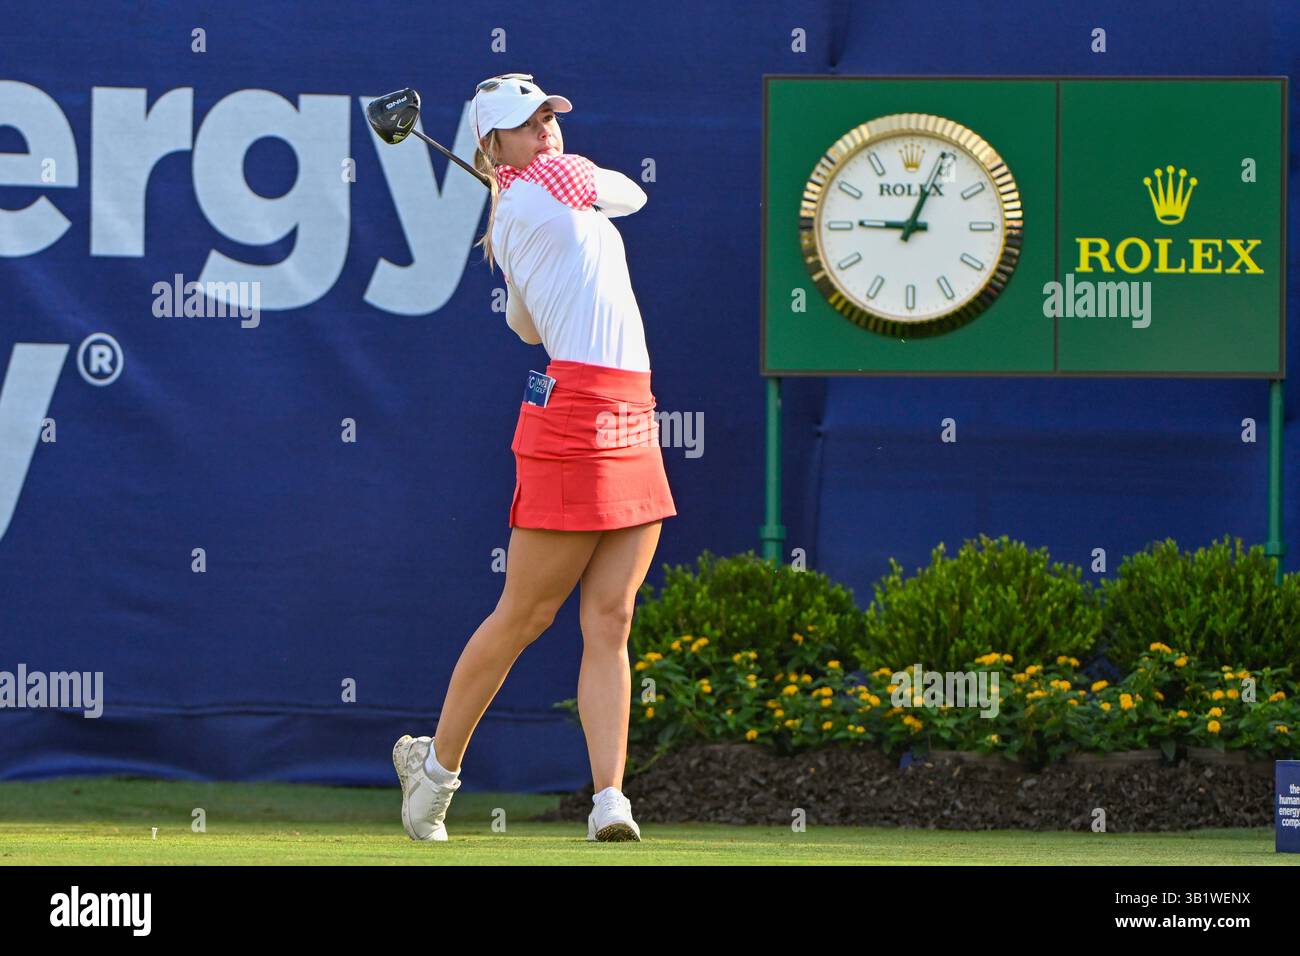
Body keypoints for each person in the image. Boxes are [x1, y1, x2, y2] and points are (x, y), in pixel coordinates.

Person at [392, 73, 676, 843]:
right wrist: (518, 194)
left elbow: (524, 324)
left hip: (630, 411)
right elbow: (630, 193)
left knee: (611, 619)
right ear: (491, 143)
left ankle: (610, 799)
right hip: (576, 412)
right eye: (527, 124)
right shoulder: (542, 192)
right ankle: (436, 777)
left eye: (549, 116)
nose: (548, 129)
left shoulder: (527, 202)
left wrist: (512, 201)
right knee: (527, 614)